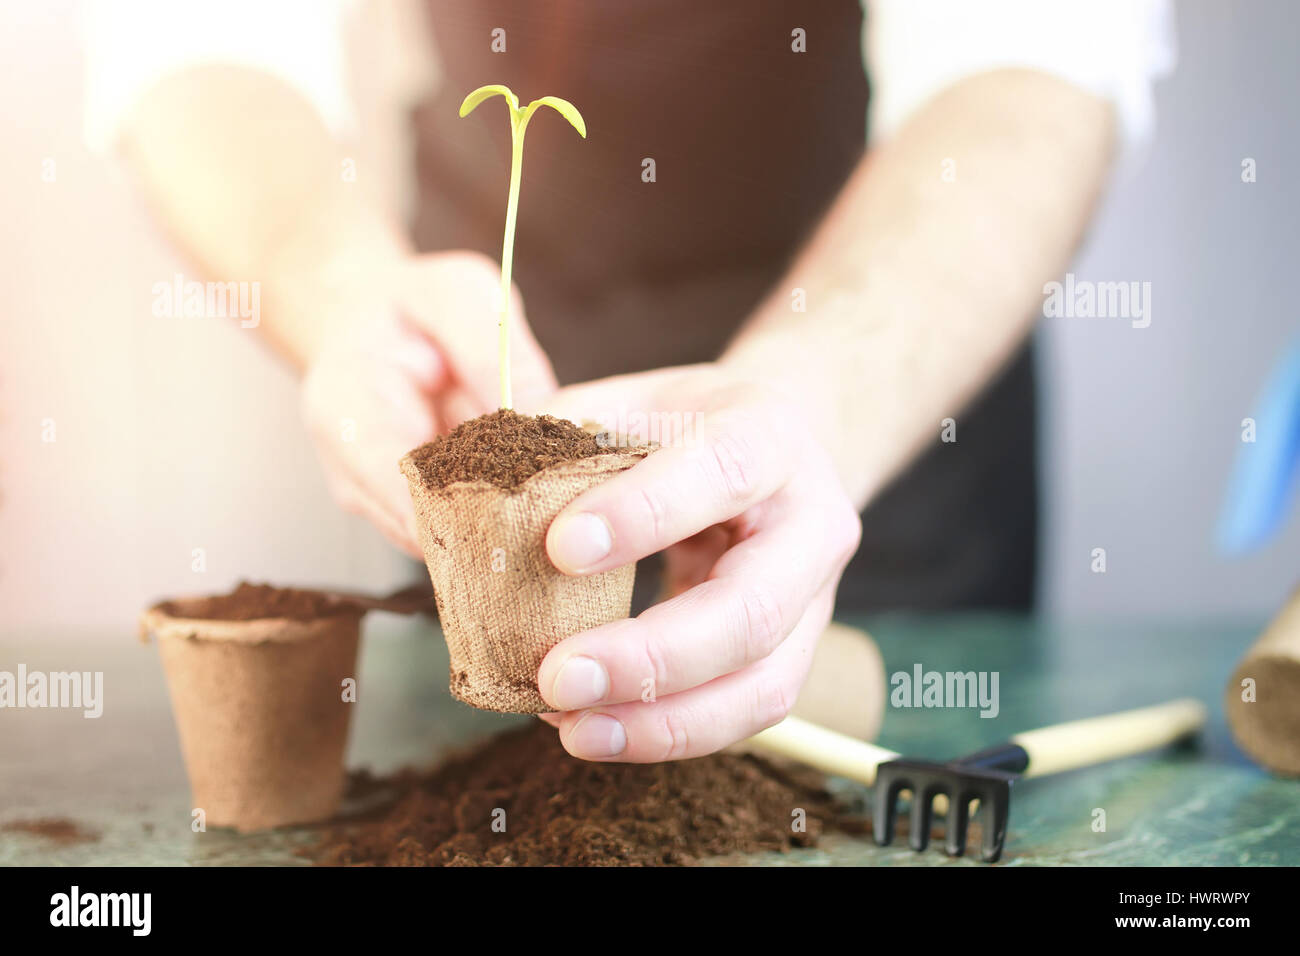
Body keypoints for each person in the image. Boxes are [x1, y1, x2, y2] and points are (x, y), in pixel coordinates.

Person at [89, 0, 1173, 762]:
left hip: (871, 354)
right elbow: (195, 28)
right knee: (508, 764)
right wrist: (345, 295)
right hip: (470, 342)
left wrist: (815, 395)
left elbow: (1029, 51)